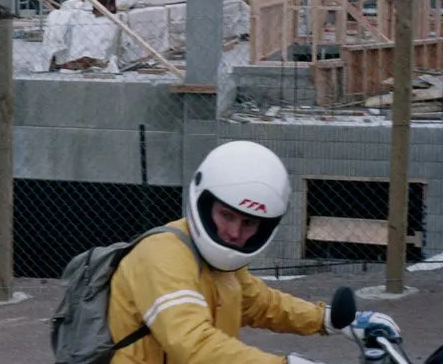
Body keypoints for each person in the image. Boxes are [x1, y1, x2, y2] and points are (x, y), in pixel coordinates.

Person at [107, 139, 400, 363]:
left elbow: (261, 303)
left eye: (249, 222)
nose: (235, 233)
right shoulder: (162, 255)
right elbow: (191, 342)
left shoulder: (222, 266)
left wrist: (330, 320)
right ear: (204, 203)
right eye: (226, 216)